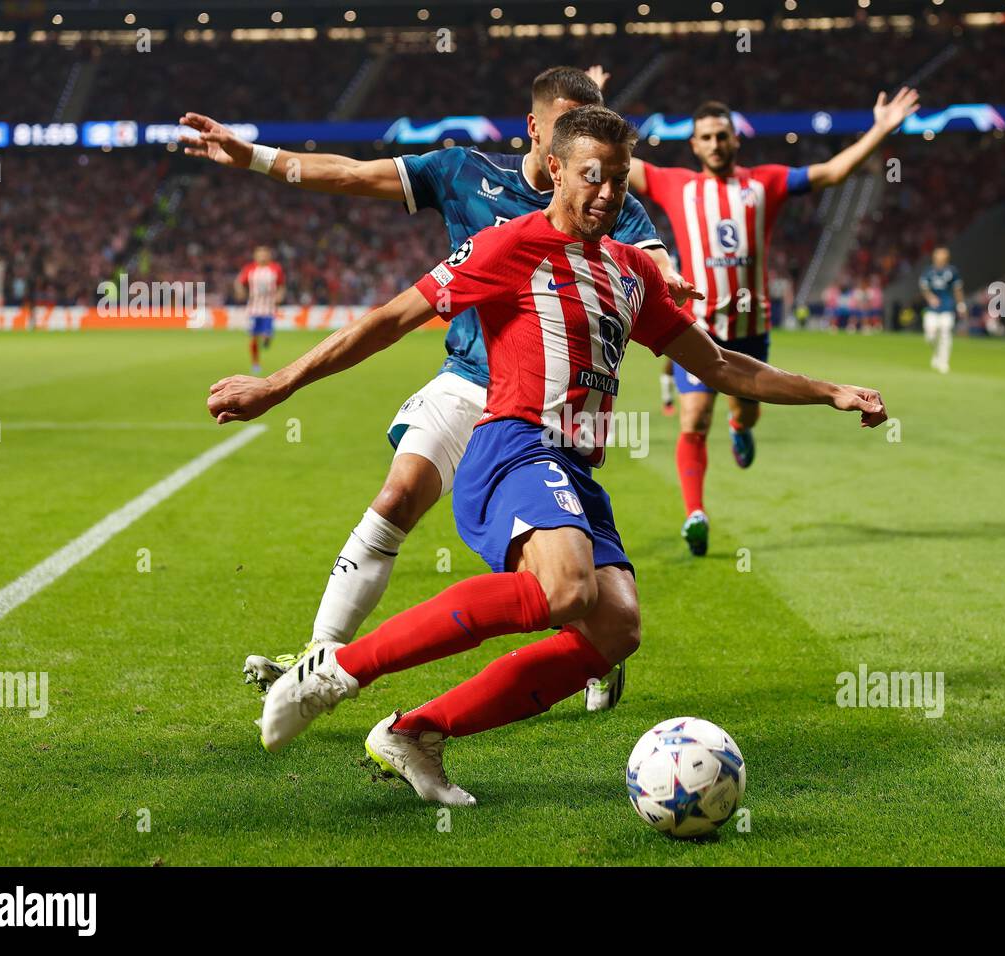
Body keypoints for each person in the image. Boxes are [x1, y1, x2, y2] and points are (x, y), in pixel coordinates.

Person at [206, 106, 887, 806]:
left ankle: (417, 732)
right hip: (513, 446)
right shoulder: (508, 245)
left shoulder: (629, 272)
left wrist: (830, 390)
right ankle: (336, 672)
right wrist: (276, 383)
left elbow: (718, 365)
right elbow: (389, 320)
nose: (606, 194)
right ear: (556, 168)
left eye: (619, 181)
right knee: (564, 590)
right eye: (592, 177)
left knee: (615, 628)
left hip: (576, 470)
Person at [182, 67, 697, 710]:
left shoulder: (609, 198)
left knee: (561, 572)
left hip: (556, 406)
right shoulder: (464, 174)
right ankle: (318, 662)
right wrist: (253, 156)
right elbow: (350, 174)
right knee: (398, 495)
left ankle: (590, 644)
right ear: (535, 128)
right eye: (563, 124)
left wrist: (673, 278)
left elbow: (657, 264)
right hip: (468, 382)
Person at [627, 90, 918, 555]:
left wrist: (881, 129)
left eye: (722, 135)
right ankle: (695, 514)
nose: (715, 143)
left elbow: (832, 172)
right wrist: (584, 106)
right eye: (706, 137)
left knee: (744, 410)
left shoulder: (767, 182)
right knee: (694, 419)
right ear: (695, 146)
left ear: (735, 140)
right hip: (697, 326)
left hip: (751, 329)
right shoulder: (673, 183)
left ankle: (742, 427)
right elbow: (617, 157)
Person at [235, 245, 284, 372]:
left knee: (266, 334)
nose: (262, 256)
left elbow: (281, 285)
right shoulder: (250, 269)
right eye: (260, 254)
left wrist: (280, 294)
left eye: (264, 254)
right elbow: (239, 282)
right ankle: (255, 363)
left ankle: (267, 338)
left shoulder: (275, 269)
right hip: (253, 309)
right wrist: (240, 291)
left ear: (269, 256)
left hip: (268, 308)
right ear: (255, 256)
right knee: (253, 337)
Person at [920, 246, 964, 374]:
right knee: (930, 335)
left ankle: (944, 362)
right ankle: (936, 353)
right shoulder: (928, 272)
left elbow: (957, 289)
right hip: (932, 309)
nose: (940, 259)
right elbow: (924, 288)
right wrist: (930, 297)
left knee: (945, 333)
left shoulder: (952, 272)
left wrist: (961, 304)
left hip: (947, 307)